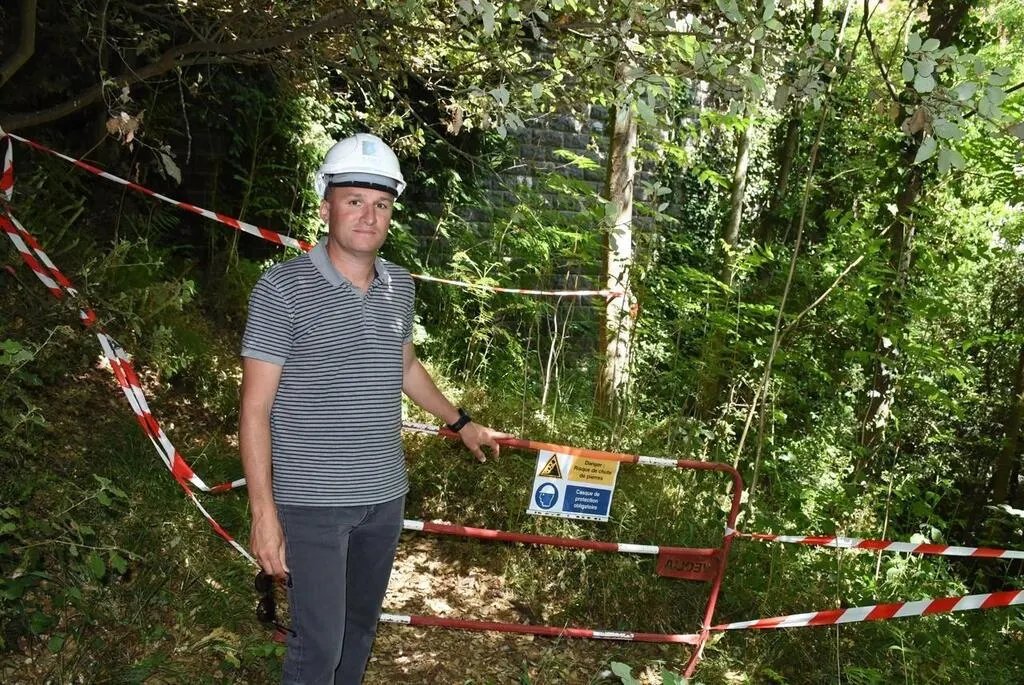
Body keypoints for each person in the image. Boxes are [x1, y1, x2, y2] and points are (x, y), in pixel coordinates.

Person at [239, 132, 509, 684]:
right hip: (313, 502)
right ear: (326, 208)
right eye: (355, 200)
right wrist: (264, 515)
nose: (368, 215)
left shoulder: (398, 286)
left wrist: (460, 422)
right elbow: (254, 410)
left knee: (359, 631)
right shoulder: (282, 289)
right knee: (319, 648)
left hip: (383, 497)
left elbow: (404, 367)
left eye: (381, 204)